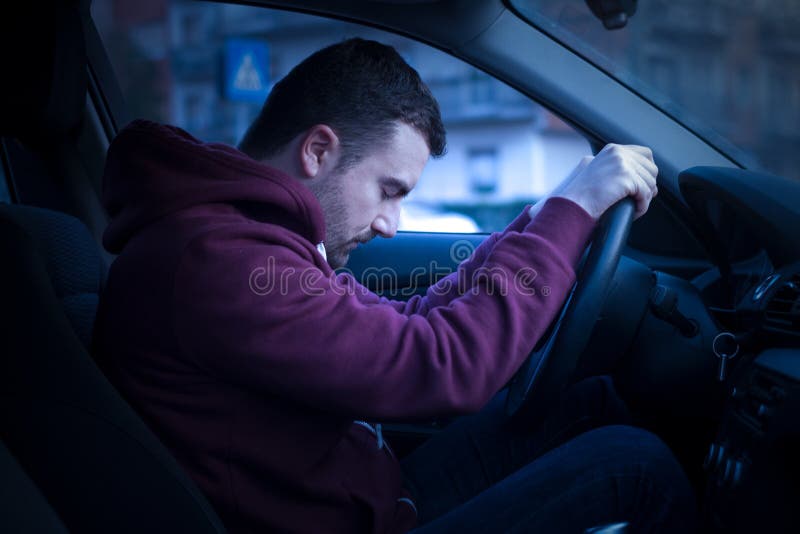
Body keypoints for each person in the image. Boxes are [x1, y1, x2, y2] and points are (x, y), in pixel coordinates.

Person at [92, 38, 695, 533]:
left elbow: (402, 323)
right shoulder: (217, 258)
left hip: (375, 497)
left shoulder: (251, 234)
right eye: (389, 189)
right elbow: (438, 364)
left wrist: (545, 219)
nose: (390, 224)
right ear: (319, 151)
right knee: (635, 467)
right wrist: (570, 215)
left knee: (589, 406)